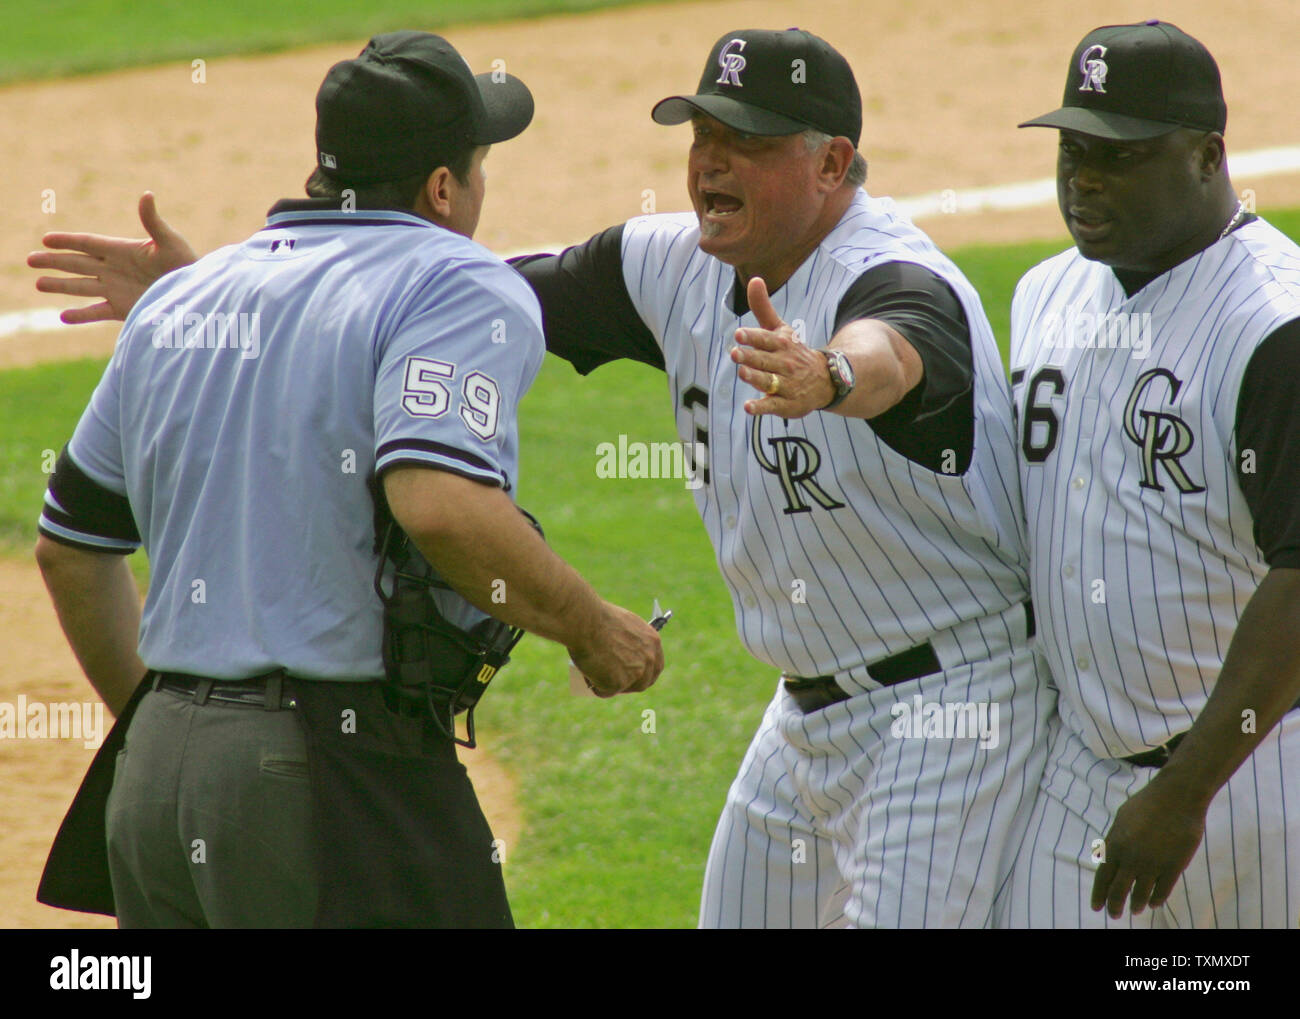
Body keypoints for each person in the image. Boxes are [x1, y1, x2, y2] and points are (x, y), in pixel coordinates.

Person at [30, 28, 1052, 929]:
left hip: (947, 706)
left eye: (746, 142)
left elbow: (899, 344)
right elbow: (402, 301)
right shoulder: (669, 263)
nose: (708, 165)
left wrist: (829, 370)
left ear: (833, 162)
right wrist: (236, 296)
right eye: (700, 137)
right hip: (801, 714)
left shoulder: (896, 275)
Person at [32, 30, 662, 930]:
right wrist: (592, 629)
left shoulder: (184, 298)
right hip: (329, 778)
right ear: (443, 187)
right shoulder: (457, 281)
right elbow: (440, 504)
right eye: (478, 165)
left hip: (153, 781)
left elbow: (72, 549)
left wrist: (177, 727)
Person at [1001, 20, 1300, 927]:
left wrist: (1183, 792)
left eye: (1121, 156)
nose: (1084, 178)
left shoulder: (1274, 328)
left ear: (1209, 156)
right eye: (1073, 148)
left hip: (1253, 785)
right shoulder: (1041, 293)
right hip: (1079, 778)